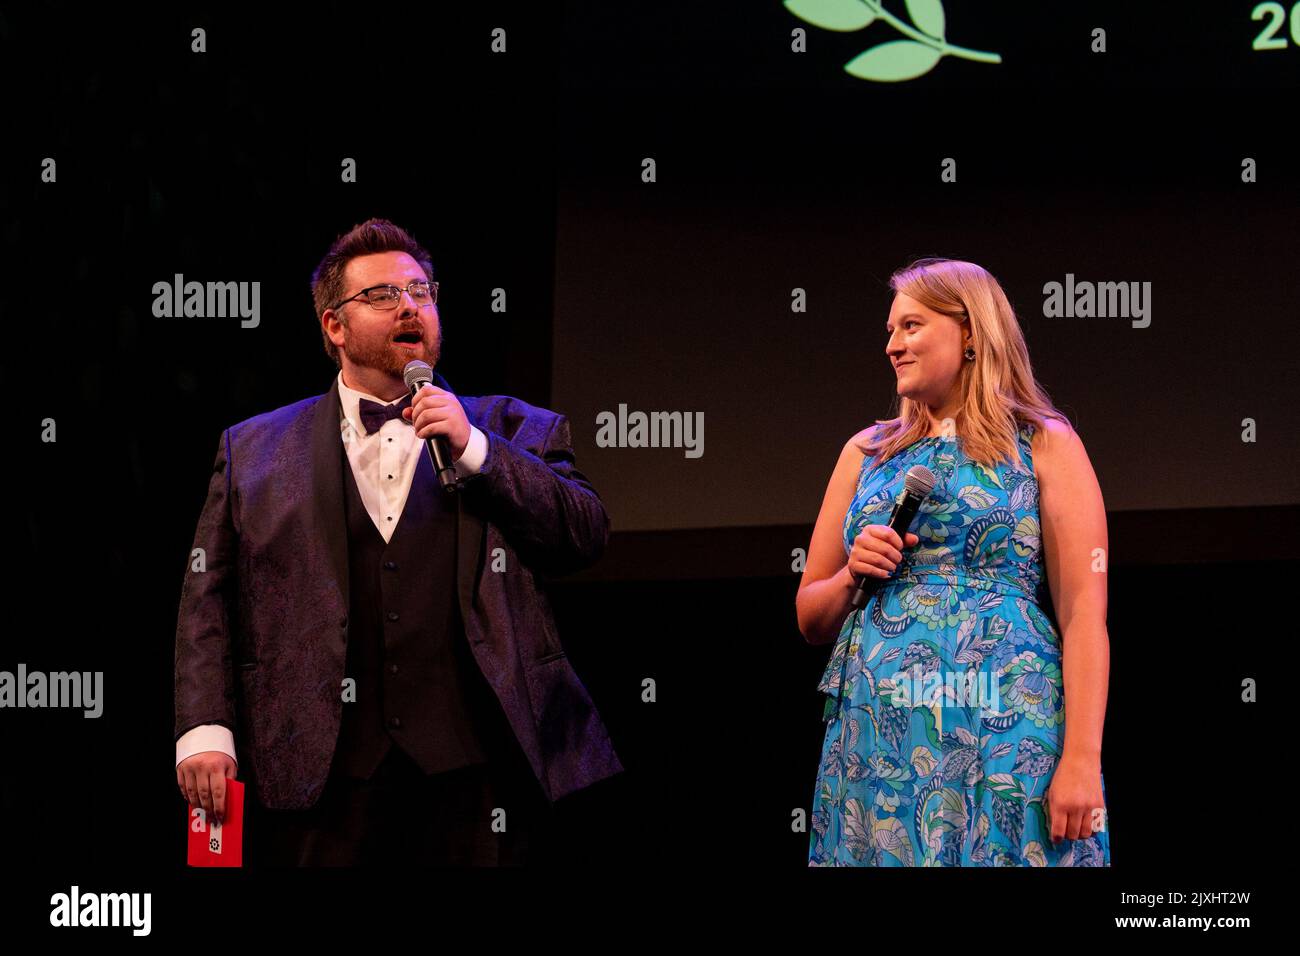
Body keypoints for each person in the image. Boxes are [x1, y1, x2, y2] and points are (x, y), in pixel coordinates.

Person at [173, 218, 623, 865]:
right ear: (334, 326)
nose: (410, 306)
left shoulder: (513, 428)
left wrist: (477, 451)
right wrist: (204, 732)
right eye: (383, 295)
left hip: (481, 774)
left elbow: (583, 536)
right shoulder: (254, 450)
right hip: (319, 777)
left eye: (422, 291)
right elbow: (206, 602)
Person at [797, 257, 1111, 866]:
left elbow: (1083, 614)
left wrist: (1081, 757)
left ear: (970, 331)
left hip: (1010, 719)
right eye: (890, 331)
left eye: (911, 326)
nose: (892, 345)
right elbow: (810, 616)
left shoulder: (1044, 442)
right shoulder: (866, 451)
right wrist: (850, 575)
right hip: (880, 730)